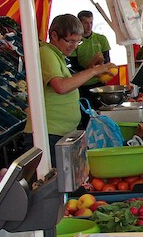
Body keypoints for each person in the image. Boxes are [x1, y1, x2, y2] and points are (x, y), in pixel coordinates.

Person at [30, 14, 115, 161]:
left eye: (78, 42)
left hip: (61, 133)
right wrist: (94, 71)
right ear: (54, 36)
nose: (74, 46)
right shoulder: (46, 53)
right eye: (70, 41)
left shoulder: (58, 55)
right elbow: (61, 86)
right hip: (49, 134)